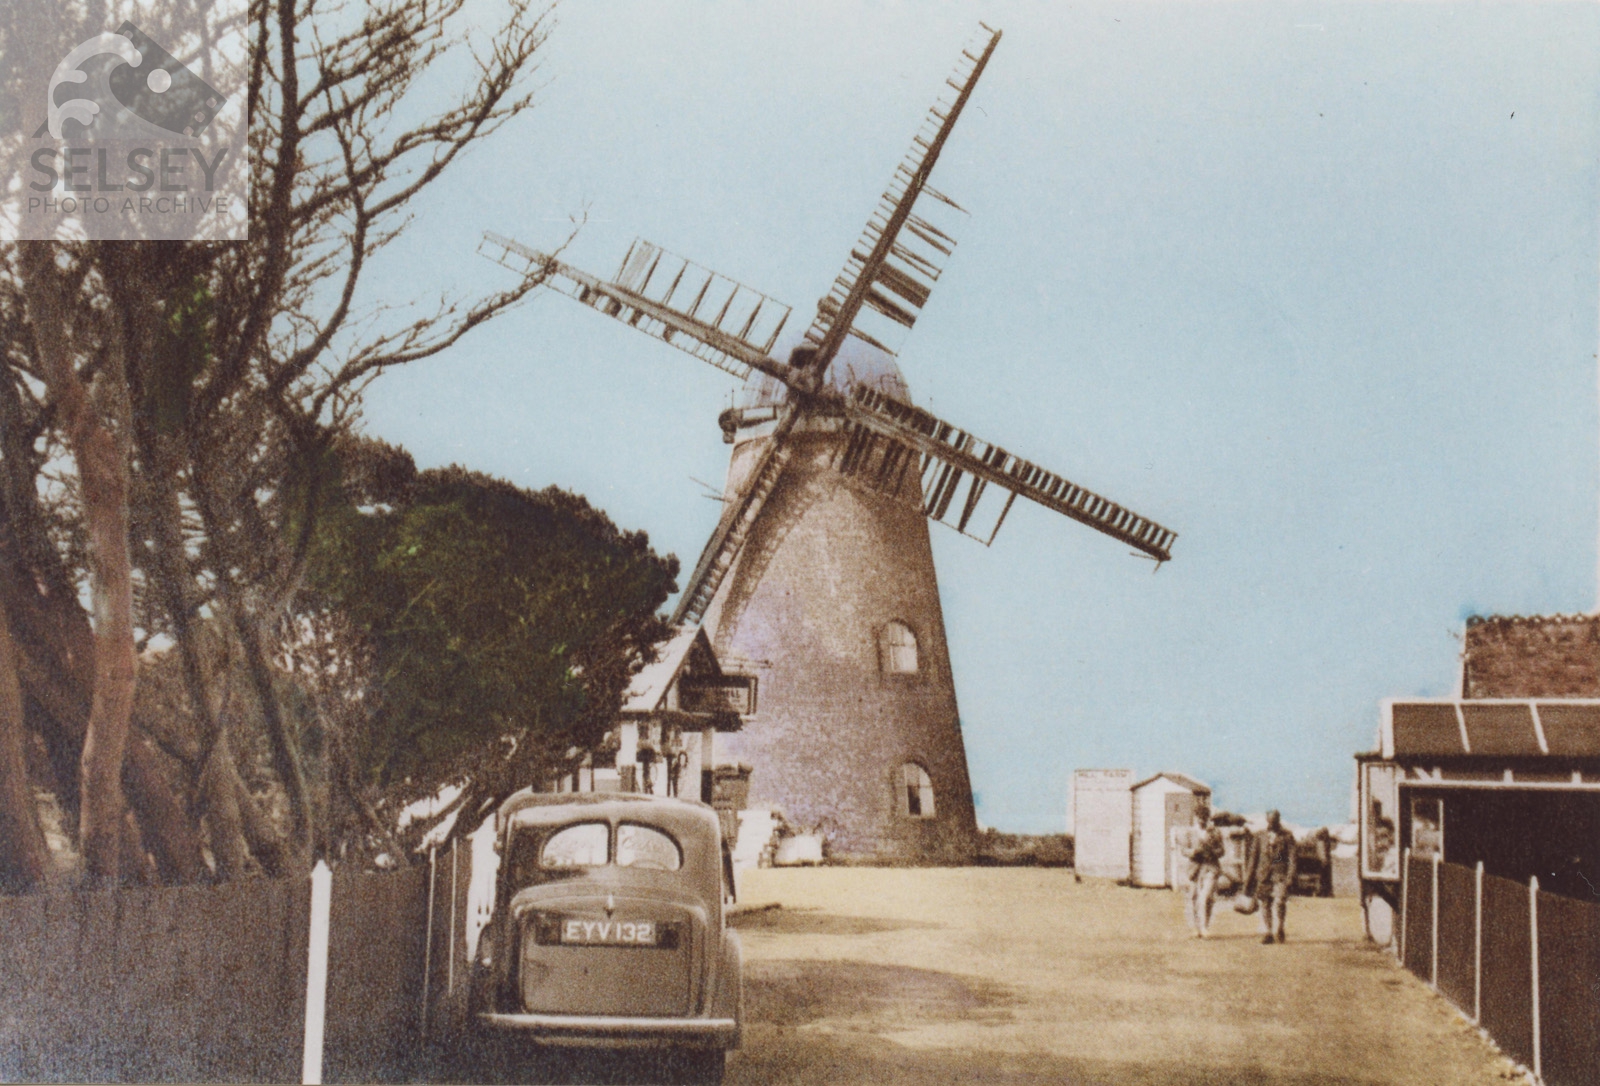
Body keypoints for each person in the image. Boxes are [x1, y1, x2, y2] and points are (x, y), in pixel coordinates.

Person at [1244, 809, 1297, 944]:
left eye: (1275, 821)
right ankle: (1268, 932)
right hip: (1263, 875)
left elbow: (1292, 858)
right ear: (1267, 820)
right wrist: (1248, 881)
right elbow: (1253, 860)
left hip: (1280, 874)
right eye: (1270, 821)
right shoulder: (1260, 836)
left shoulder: (1287, 836)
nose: (1272, 823)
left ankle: (1279, 927)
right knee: (1265, 903)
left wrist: (1290, 875)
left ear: (1279, 820)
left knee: (1280, 901)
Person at [1175, 807, 1224, 938]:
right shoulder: (1190, 833)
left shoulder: (1215, 832)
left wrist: (1212, 852)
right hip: (1195, 868)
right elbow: (1184, 850)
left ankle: (1204, 926)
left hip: (1210, 867)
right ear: (1195, 817)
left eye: (1204, 818)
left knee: (1206, 897)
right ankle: (1197, 928)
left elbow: (1221, 850)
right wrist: (1194, 852)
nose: (1202, 821)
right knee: (1194, 897)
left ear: (1208, 818)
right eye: (1199, 818)